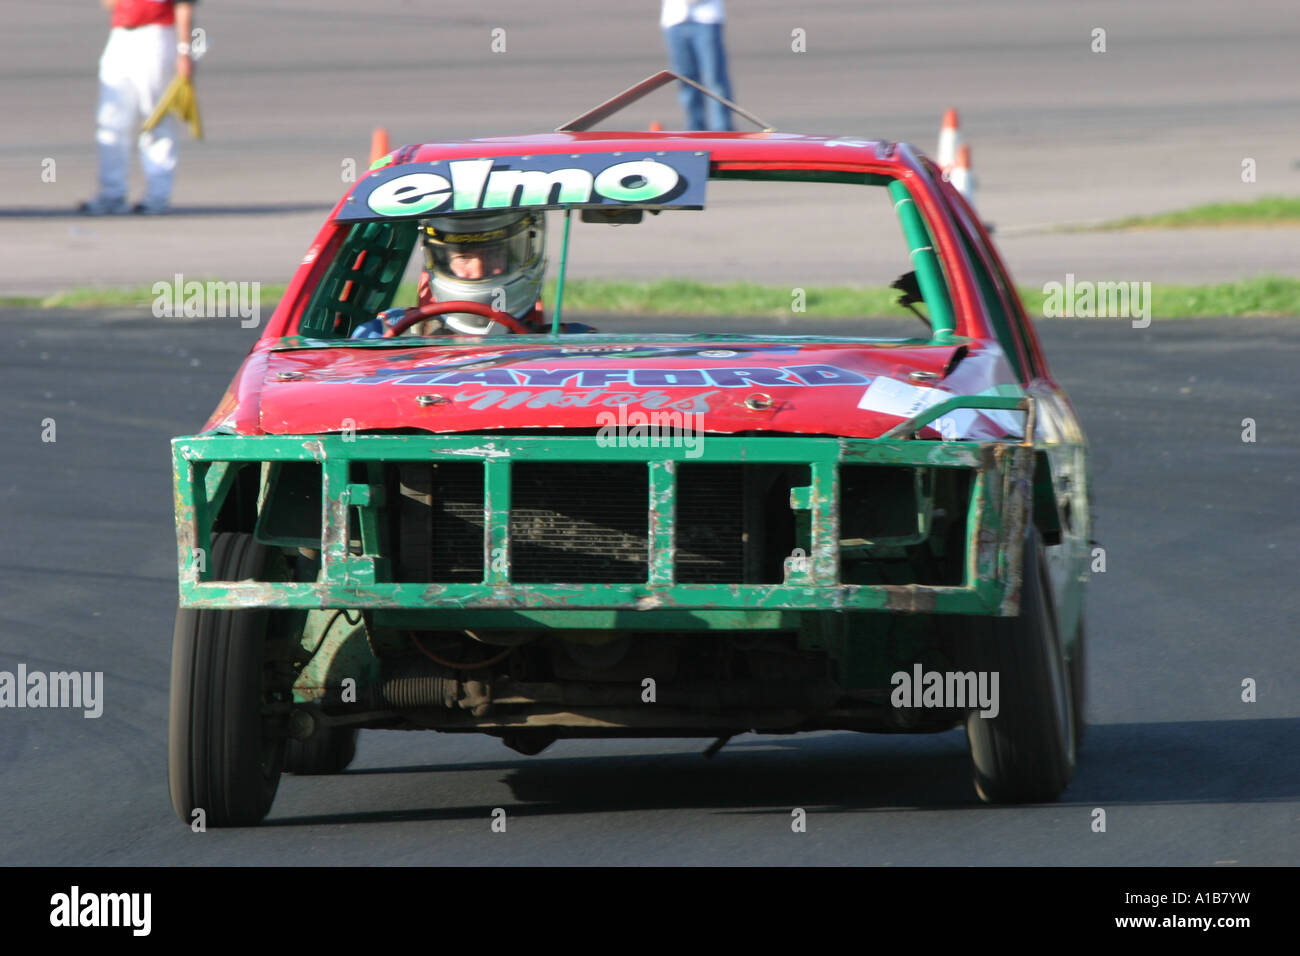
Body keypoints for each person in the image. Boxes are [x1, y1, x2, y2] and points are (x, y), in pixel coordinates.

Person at [353, 210, 596, 337]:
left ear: (519, 254)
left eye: (492, 255)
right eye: (464, 257)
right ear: (439, 260)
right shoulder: (385, 333)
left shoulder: (573, 343)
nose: (479, 270)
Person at [79, 0, 198, 215]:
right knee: (111, 121)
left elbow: (184, 6)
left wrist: (184, 51)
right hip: (121, 35)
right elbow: (111, 5)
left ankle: (157, 196)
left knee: (156, 119)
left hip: (156, 35)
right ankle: (112, 194)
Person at [661, 0, 734, 132]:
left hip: (707, 17)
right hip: (675, 18)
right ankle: (695, 131)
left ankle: (723, 132)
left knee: (715, 79)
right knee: (686, 80)